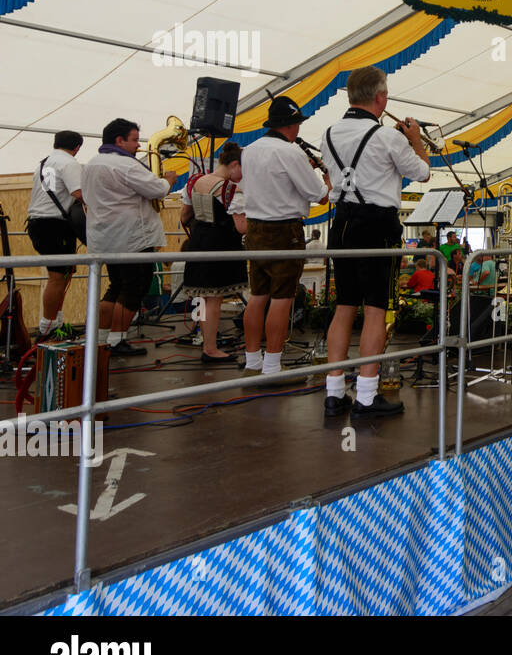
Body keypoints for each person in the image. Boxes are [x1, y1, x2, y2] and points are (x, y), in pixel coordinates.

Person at [320, 67, 430, 417]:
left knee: (344, 306)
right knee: (375, 309)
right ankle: (367, 396)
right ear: (380, 98)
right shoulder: (387, 137)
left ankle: (334, 393)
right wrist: (415, 138)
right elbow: (423, 172)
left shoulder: (329, 133)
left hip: (342, 223)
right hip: (377, 225)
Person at [240, 96, 330, 377]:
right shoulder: (291, 153)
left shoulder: (249, 150)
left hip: (255, 228)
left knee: (257, 296)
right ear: (293, 125)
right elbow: (319, 196)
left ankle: (253, 361)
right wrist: (328, 180)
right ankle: (272, 366)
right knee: (282, 298)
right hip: (284, 230)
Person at [81, 118, 177, 357]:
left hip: (105, 237)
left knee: (116, 286)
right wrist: (169, 181)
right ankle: (117, 339)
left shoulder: (91, 164)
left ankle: (101, 339)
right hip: (131, 237)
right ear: (119, 140)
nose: (138, 146)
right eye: (134, 140)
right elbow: (156, 189)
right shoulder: (125, 164)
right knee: (134, 287)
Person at [177, 142, 247, 362]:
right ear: (234, 165)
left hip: (199, 240)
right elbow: (241, 227)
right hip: (221, 243)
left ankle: (206, 342)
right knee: (214, 299)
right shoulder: (230, 190)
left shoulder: (194, 181)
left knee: (204, 296)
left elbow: (184, 217)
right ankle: (210, 348)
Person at [26, 130, 85, 341]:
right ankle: (47, 327)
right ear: (77, 147)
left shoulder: (44, 163)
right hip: (53, 224)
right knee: (57, 277)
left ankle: (56, 323)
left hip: (40, 223)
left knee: (62, 275)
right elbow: (79, 193)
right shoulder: (69, 163)